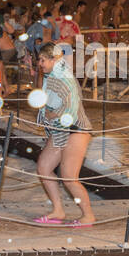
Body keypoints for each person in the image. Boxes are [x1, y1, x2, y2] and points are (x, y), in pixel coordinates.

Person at [33, 41, 95, 227]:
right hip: (59, 129)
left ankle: (88, 215)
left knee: (69, 176)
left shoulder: (66, 78)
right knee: (44, 168)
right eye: (39, 60)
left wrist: (53, 114)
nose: (40, 63)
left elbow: (71, 108)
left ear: (54, 59)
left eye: (43, 60)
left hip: (75, 129)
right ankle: (58, 210)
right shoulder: (50, 78)